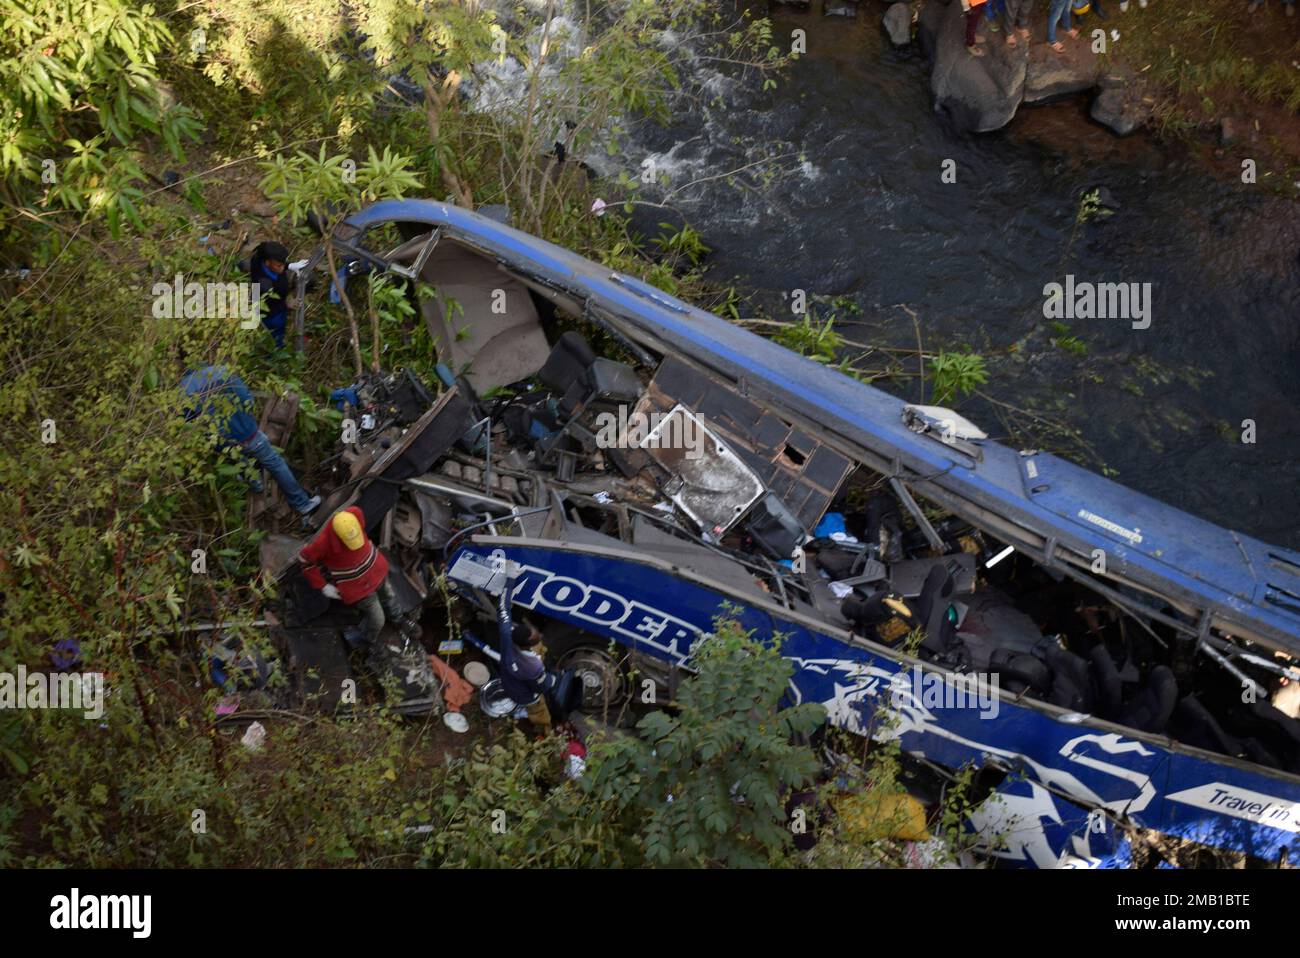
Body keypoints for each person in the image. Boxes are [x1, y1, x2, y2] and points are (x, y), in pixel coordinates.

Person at [180, 365, 321, 515]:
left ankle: (256, 483)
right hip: (247, 434)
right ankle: (302, 504)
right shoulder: (221, 372)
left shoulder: (184, 390)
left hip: (221, 442)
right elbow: (247, 399)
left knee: (238, 459)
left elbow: (187, 424)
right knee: (275, 463)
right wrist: (247, 422)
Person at [299, 507, 398, 647]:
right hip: (358, 587)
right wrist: (322, 585)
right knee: (377, 619)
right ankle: (368, 640)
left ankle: (398, 619)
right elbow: (305, 560)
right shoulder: (323, 543)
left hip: (376, 570)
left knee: (389, 596)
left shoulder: (355, 514)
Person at [498, 619, 553, 733]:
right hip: (528, 698)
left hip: (511, 686)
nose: (538, 635)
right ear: (527, 646)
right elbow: (541, 687)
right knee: (539, 713)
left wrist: (505, 599)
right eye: (535, 637)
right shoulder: (533, 667)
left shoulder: (507, 637)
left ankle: (521, 711)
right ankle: (544, 730)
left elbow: (503, 612)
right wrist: (552, 679)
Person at [248, 240, 292, 349]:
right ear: (267, 263)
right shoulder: (268, 285)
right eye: (279, 266)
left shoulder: (258, 259)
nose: (282, 269)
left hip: (262, 300)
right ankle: (276, 349)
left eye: (283, 264)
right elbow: (272, 305)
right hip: (271, 314)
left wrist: (290, 265)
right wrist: (288, 305)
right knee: (275, 333)